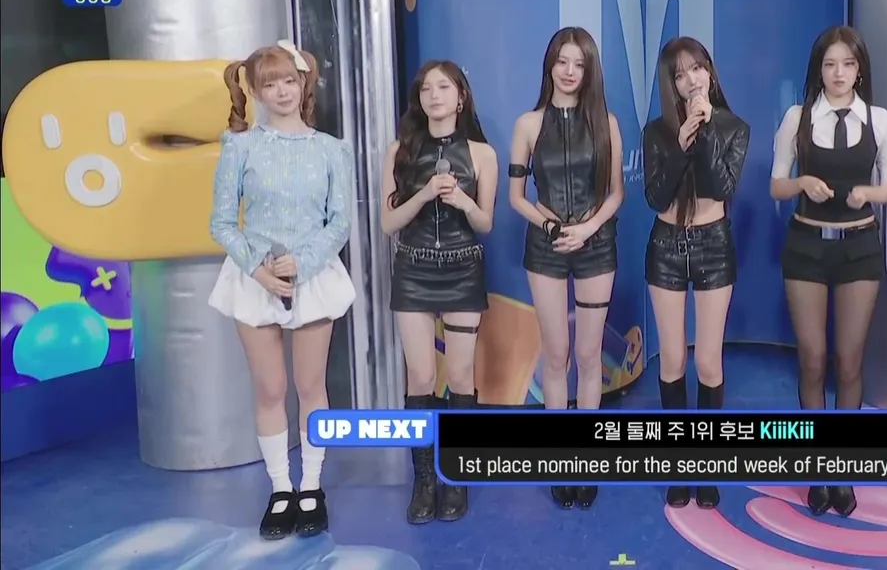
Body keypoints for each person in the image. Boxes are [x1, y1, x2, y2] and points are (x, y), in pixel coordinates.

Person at [208, 41, 355, 540]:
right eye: (270, 84)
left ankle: (312, 485)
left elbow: (340, 222)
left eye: (289, 81)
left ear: (303, 83)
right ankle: (280, 488)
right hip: (254, 280)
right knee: (271, 388)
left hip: (314, 279)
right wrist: (258, 269)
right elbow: (221, 222)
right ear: (256, 91)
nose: (282, 91)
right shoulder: (240, 146)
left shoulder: (331, 149)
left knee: (312, 386)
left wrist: (304, 262)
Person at [769, 25, 887, 517]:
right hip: (806, 245)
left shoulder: (880, 121)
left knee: (848, 361)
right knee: (811, 360)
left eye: (847, 64)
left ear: (859, 69)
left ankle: (841, 468)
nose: (838, 73)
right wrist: (802, 182)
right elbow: (776, 186)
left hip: (859, 247)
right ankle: (816, 465)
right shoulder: (797, 118)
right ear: (818, 70)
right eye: (829, 64)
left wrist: (869, 193)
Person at [509, 27, 624, 510]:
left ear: (589, 70)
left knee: (590, 354)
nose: (570, 71)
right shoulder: (528, 124)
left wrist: (588, 227)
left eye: (579, 63)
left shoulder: (607, 123)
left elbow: (616, 193)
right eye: (562, 61)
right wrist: (554, 226)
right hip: (546, 246)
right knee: (556, 356)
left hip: (597, 245)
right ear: (550, 66)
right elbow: (516, 197)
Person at [380, 60, 497, 524]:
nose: (434, 95)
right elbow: (388, 222)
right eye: (426, 88)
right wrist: (425, 193)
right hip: (413, 270)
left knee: (462, 377)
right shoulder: (400, 150)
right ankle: (424, 481)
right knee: (422, 377)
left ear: (460, 97)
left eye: (444, 87)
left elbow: (485, 223)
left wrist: (462, 200)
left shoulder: (482, 154)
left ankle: (456, 476)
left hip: (463, 269)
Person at [642, 37, 749, 510]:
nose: (690, 80)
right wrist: (680, 143)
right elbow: (655, 197)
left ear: (710, 71)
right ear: (671, 84)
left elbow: (721, 186)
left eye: (697, 69)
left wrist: (702, 135)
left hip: (713, 245)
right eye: (679, 74)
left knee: (707, 360)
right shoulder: (656, 132)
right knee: (672, 359)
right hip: (666, 245)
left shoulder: (734, 127)